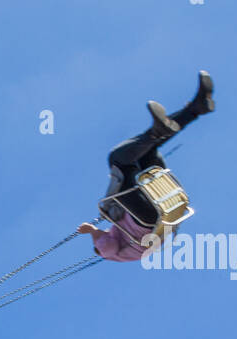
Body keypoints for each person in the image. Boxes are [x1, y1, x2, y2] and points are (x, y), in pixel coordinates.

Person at [77, 72, 215, 262]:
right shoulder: (112, 253)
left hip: (157, 213)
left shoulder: (126, 243)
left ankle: (195, 108)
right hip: (145, 219)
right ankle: (161, 129)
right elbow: (107, 247)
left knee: (146, 152)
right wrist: (92, 232)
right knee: (118, 161)